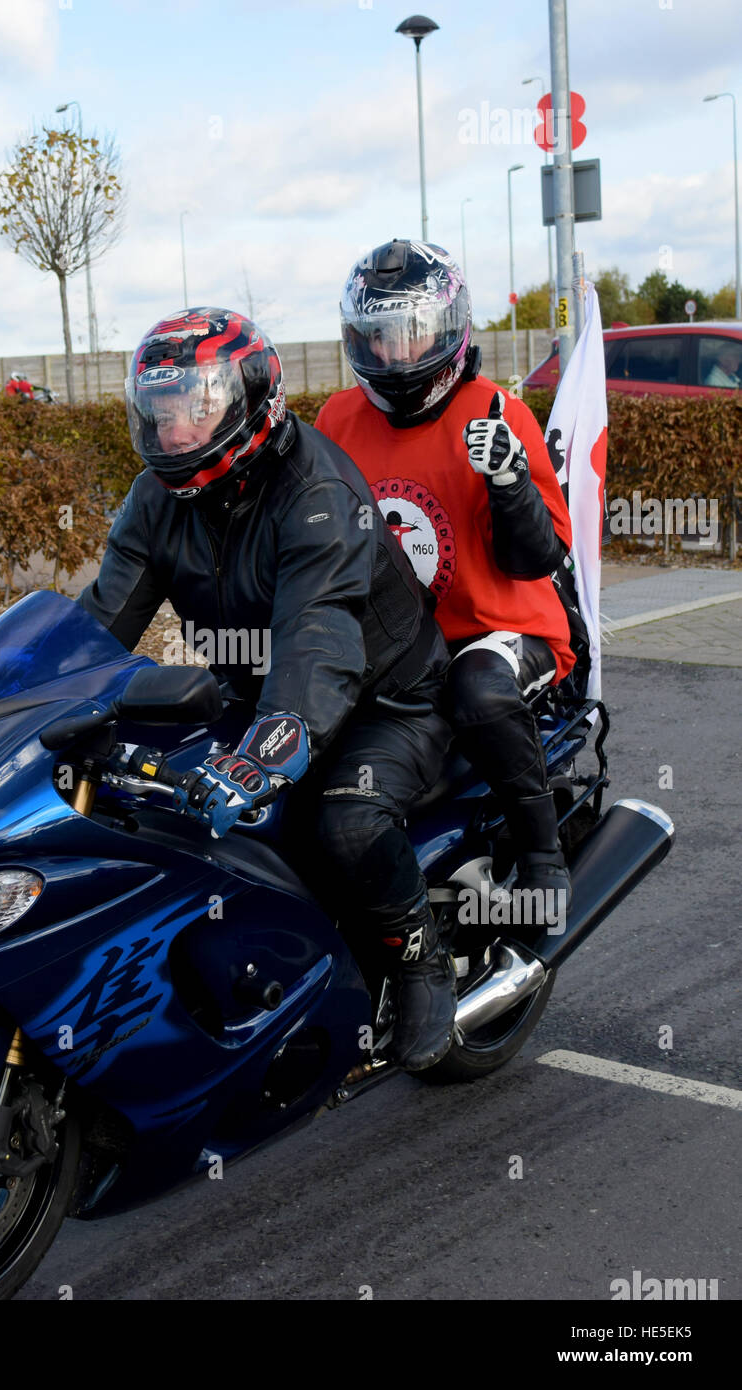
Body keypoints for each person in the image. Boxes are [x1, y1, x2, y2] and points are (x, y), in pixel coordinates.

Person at [78, 307, 457, 1069]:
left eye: (194, 408)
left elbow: (318, 646)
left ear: (253, 399)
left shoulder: (313, 490)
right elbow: (99, 619)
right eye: (160, 411)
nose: (174, 431)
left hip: (387, 699)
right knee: (152, 812)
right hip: (255, 692)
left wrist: (264, 754)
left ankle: (420, 961)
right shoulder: (158, 496)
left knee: (342, 822)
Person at [315, 240, 575, 921]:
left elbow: (537, 561)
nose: (396, 355)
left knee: (479, 689)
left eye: (411, 334)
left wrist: (510, 480)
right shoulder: (337, 420)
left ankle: (541, 851)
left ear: (449, 329)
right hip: (397, 646)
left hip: (503, 628)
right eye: (378, 336)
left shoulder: (497, 412)